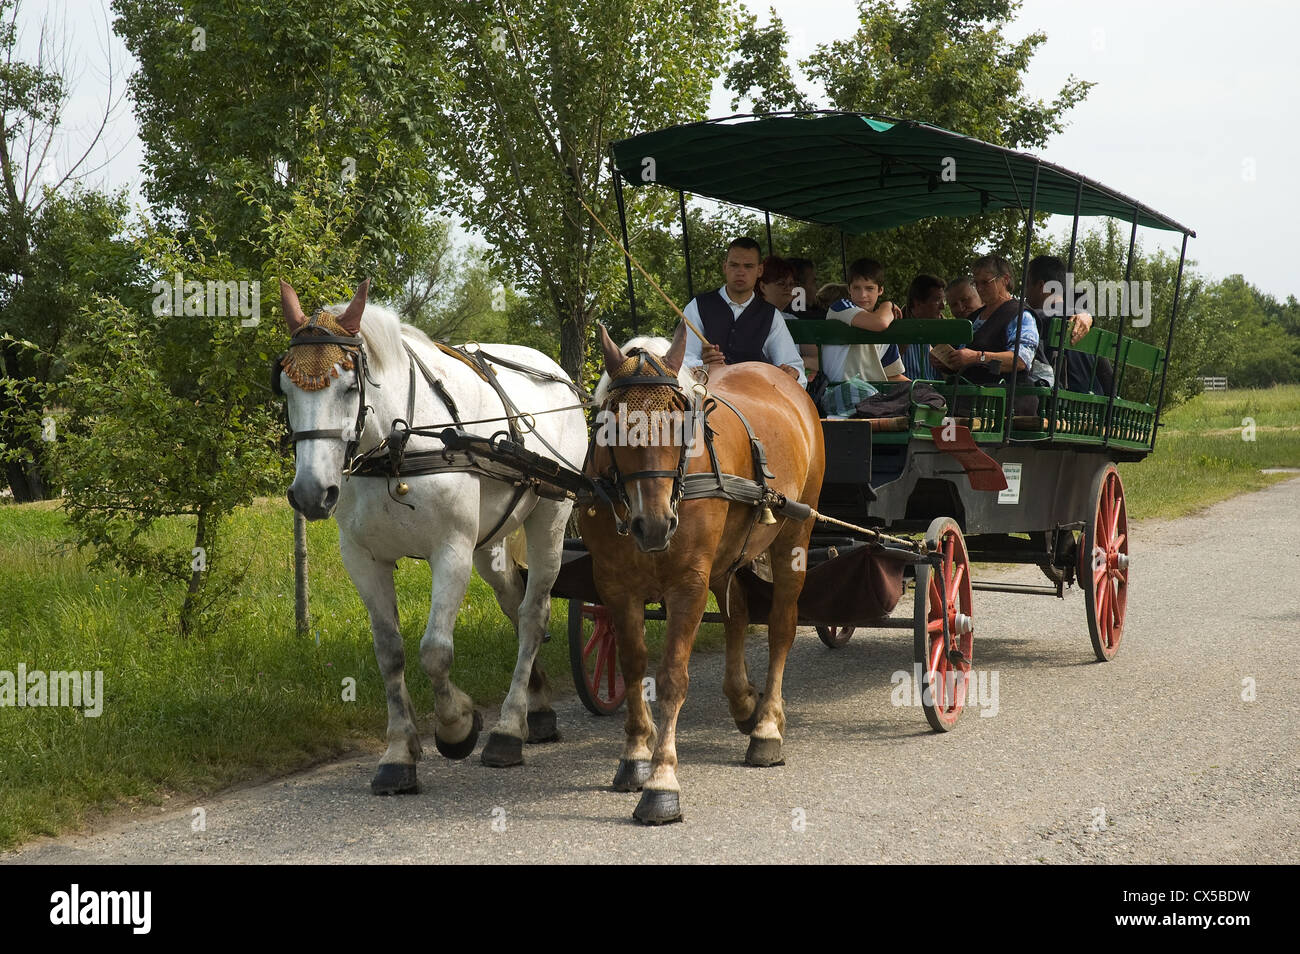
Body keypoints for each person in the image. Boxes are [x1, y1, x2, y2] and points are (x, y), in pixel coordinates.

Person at [681, 237, 806, 385]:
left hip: (754, 397)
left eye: (748, 266)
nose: (740, 272)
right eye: (734, 265)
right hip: (708, 396)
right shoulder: (698, 306)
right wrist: (703, 365)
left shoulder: (770, 315)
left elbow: (792, 364)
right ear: (725, 267)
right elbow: (683, 360)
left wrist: (793, 373)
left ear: (759, 271)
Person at [940, 254, 1052, 413]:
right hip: (971, 398)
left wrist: (976, 357)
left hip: (1004, 402)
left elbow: (1020, 360)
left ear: (1005, 280)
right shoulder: (974, 318)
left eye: (985, 282)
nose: (979, 288)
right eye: (976, 283)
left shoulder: (1020, 315)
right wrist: (947, 362)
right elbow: (963, 358)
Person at [1024, 255, 1112, 395]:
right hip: (1092, 407)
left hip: (1059, 408)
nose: (1025, 292)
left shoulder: (1035, 319)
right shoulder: (1084, 322)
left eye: (1027, 284)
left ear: (1041, 286)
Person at [899, 273, 946, 380]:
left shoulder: (944, 329)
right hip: (905, 393)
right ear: (918, 303)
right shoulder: (894, 327)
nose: (942, 306)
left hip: (938, 394)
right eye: (937, 300)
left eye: (943, 301)